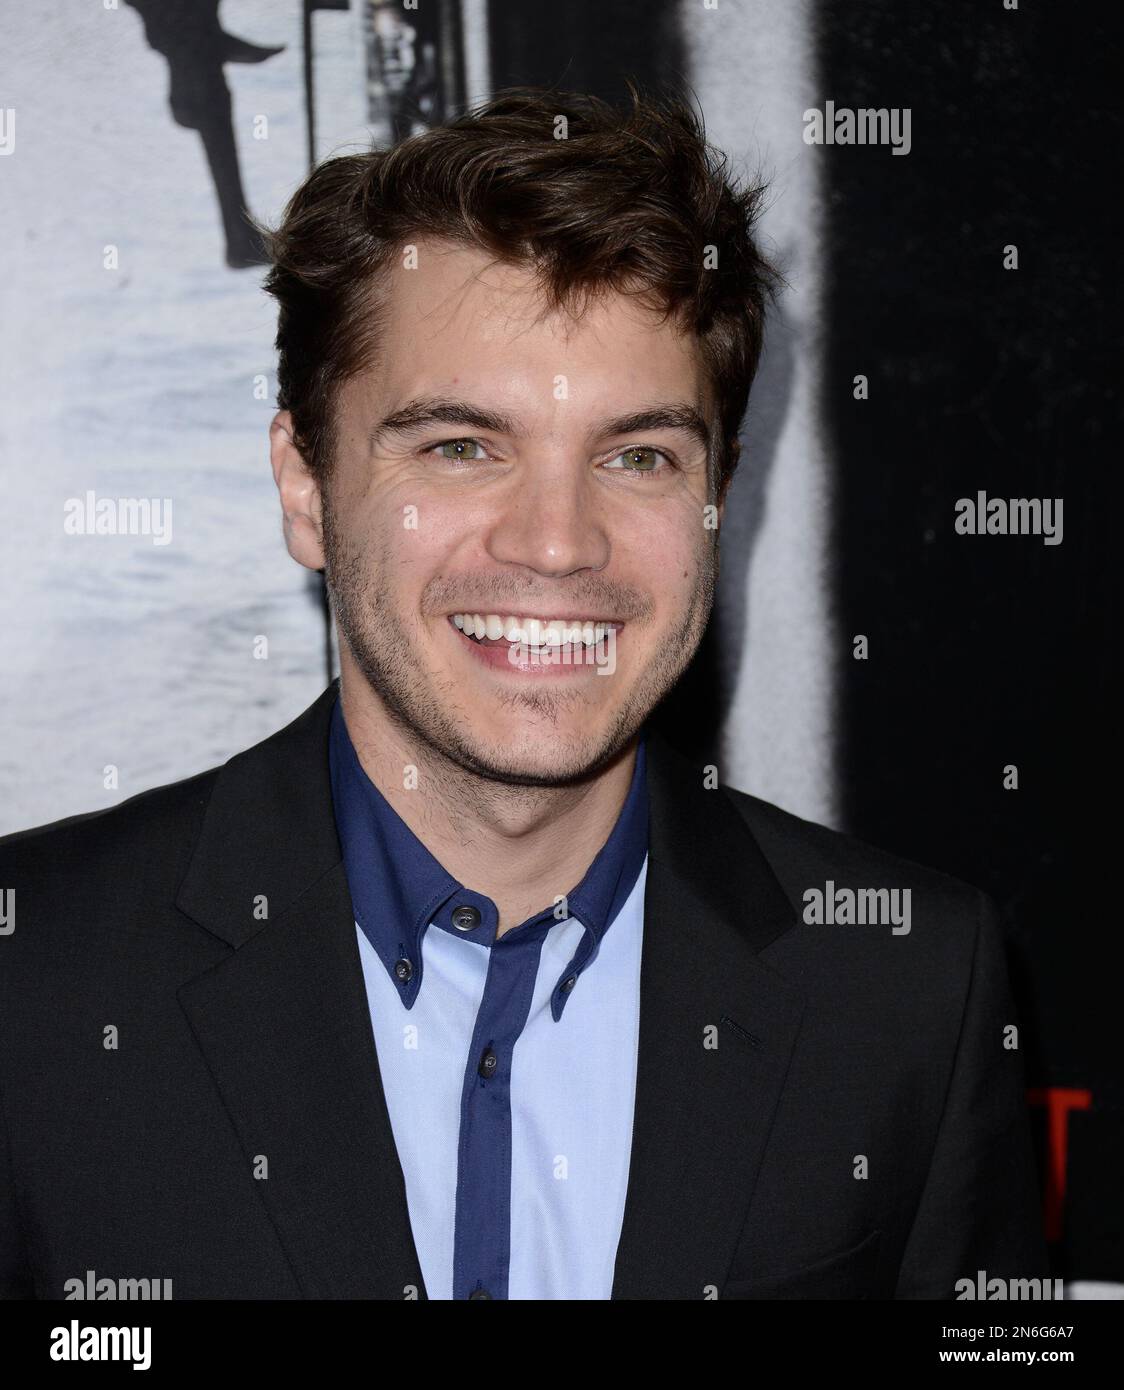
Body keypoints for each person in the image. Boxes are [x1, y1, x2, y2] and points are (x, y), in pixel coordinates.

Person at [0, 87, 1045, 1300]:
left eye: (638, 456)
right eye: (460, 446)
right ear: (305, 486)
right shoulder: (34, 980)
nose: (557, 544)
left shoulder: (908, 987)